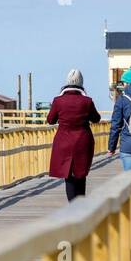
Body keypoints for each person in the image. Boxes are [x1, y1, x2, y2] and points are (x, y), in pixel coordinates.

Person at [46, 68, 101, 201]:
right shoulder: (87, 101)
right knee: (81, 175)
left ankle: (72, 206)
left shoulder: (58, 101)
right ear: (81, 83)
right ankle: (81, 206)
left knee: (68, 176)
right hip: (82, 141)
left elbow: (50, 120)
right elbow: (96, 118)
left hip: (63, 142)